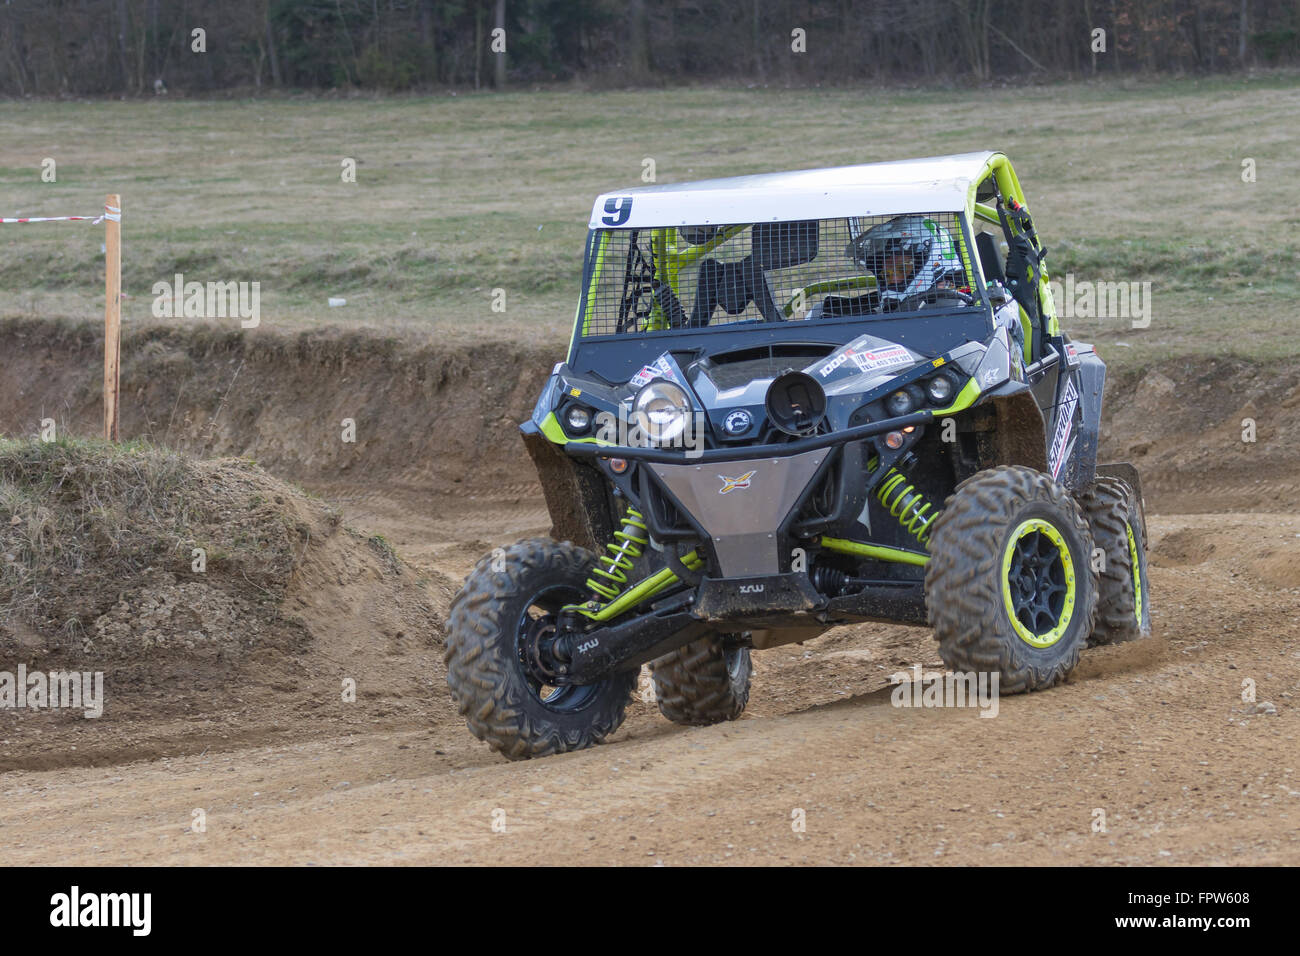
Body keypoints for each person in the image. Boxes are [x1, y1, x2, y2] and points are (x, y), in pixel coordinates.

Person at [846, 214, 967, 311]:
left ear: (935, 261)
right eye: (886, 275)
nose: (893, 280)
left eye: (902, 270)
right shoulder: (883, 313)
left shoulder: (963, 308)